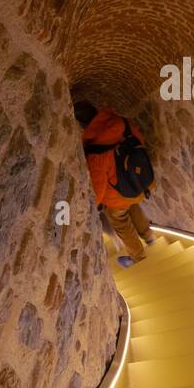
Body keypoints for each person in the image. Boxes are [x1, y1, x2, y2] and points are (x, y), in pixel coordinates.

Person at [74, 101, 156, 268]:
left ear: (83, 125)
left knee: (121, 223)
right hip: (139, 182)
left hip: (119, 195)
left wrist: (96, 205)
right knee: (134, 205)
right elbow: (139, 141)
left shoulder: (96, 149)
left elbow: (99, 184)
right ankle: (148, 236)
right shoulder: (122, 123)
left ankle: (138, 256)